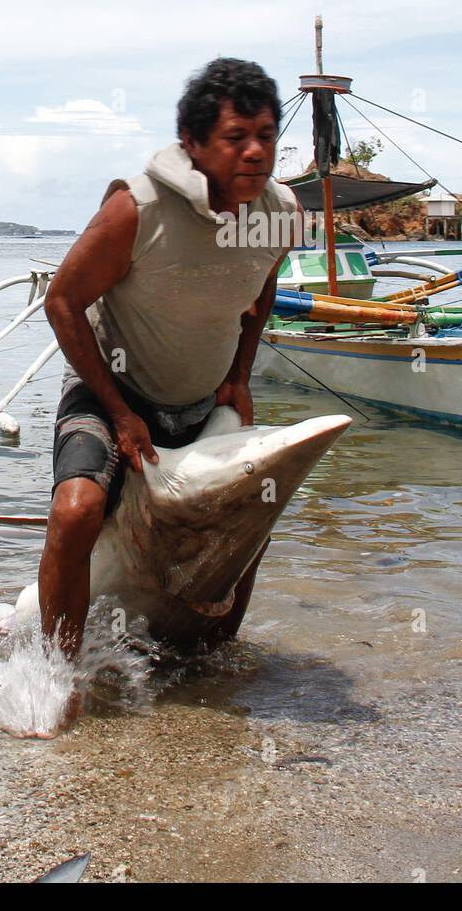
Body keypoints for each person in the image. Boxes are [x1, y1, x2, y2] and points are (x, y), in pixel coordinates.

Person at [40, 57, 301, 681]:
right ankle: (52, 679)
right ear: (193, 143)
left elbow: (260, 292)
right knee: (76, 513)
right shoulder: (139, 209)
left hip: (203, 398)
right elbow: (62, 302)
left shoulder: (282, 212)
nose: (255, 153)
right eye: (235, 138)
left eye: (266, 135)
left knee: (252, 520)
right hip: (112, 394)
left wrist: (239, 377)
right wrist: (123, 413)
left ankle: (209, 664)